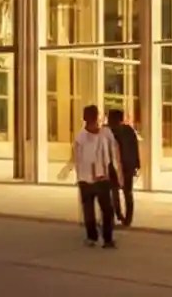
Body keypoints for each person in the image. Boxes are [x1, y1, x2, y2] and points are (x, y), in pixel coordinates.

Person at [66, 105, 118, 248]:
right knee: (105, 210)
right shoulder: (103, 134)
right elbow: (114, 152)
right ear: (97, 116)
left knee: (91, 210)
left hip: (88, 179)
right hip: (99, 178)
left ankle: (93, 237)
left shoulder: (81, 137)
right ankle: (106, 239)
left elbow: (75, 157)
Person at [107, 108, 140, 227]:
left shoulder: (113, 131)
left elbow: (134, 148)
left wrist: (136, 164)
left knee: (121, 192)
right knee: (121, 192)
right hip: (119, 166)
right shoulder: (126, 131)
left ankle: (123, 216)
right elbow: (135, 148)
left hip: (121, 166)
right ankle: (122, 216)